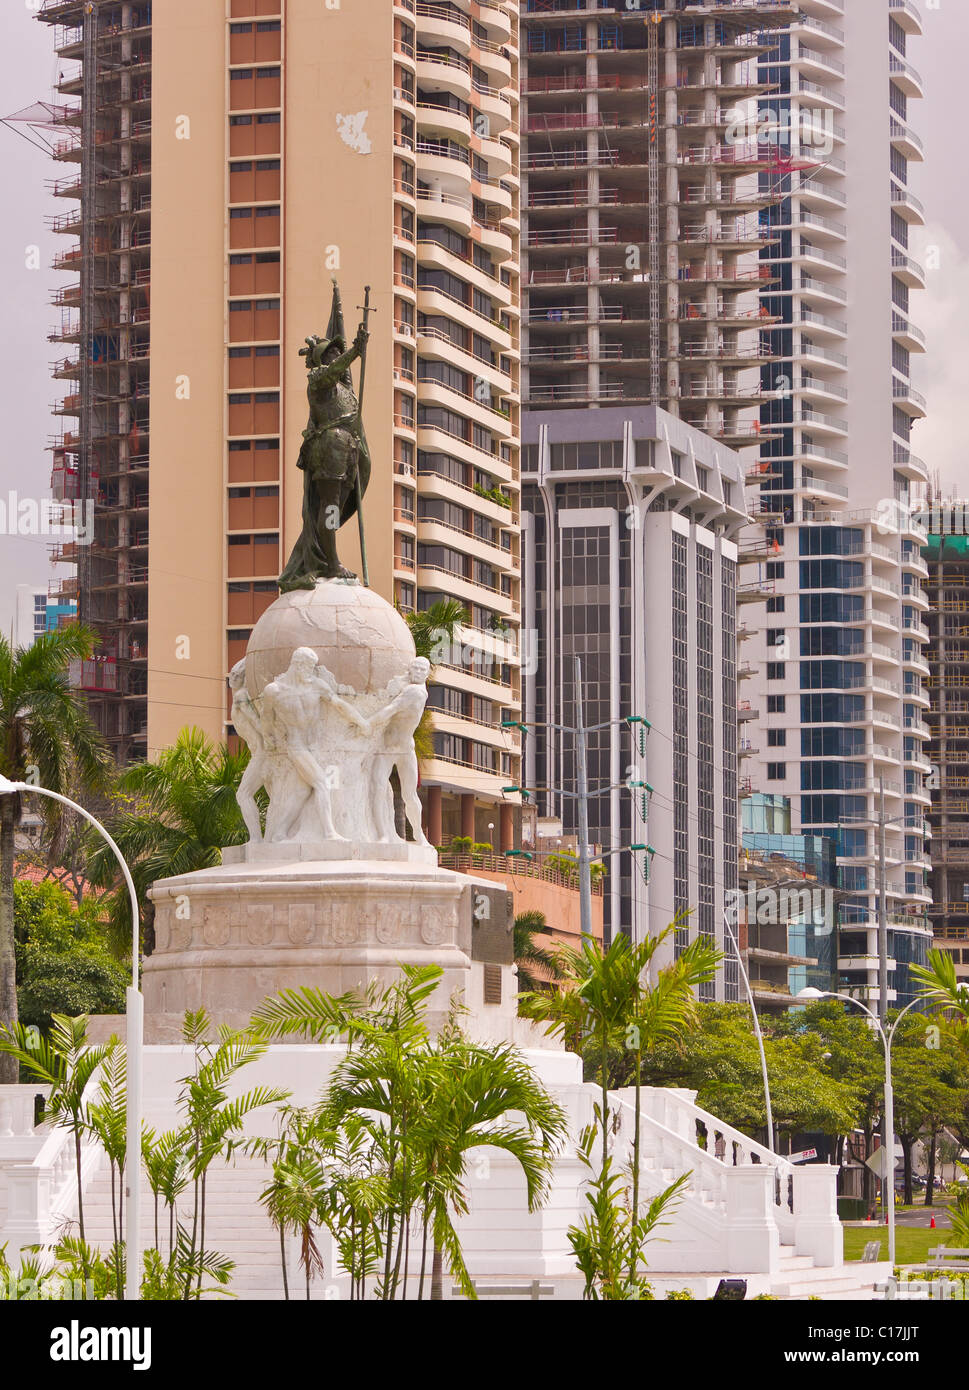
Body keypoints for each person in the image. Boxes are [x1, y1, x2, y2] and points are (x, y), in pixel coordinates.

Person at [366, 658, 432, 846]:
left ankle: (419, 835)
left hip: (404, 748)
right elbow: (390, 709)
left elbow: (390, 709)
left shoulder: (415, 691)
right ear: (410, 671)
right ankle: (382, 834)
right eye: (416, 668)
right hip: (387, 747)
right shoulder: (410, 688)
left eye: (423, 669)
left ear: (427, 674)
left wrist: (366, 724)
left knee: (409, 795)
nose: (419, 672)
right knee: (378, 788)